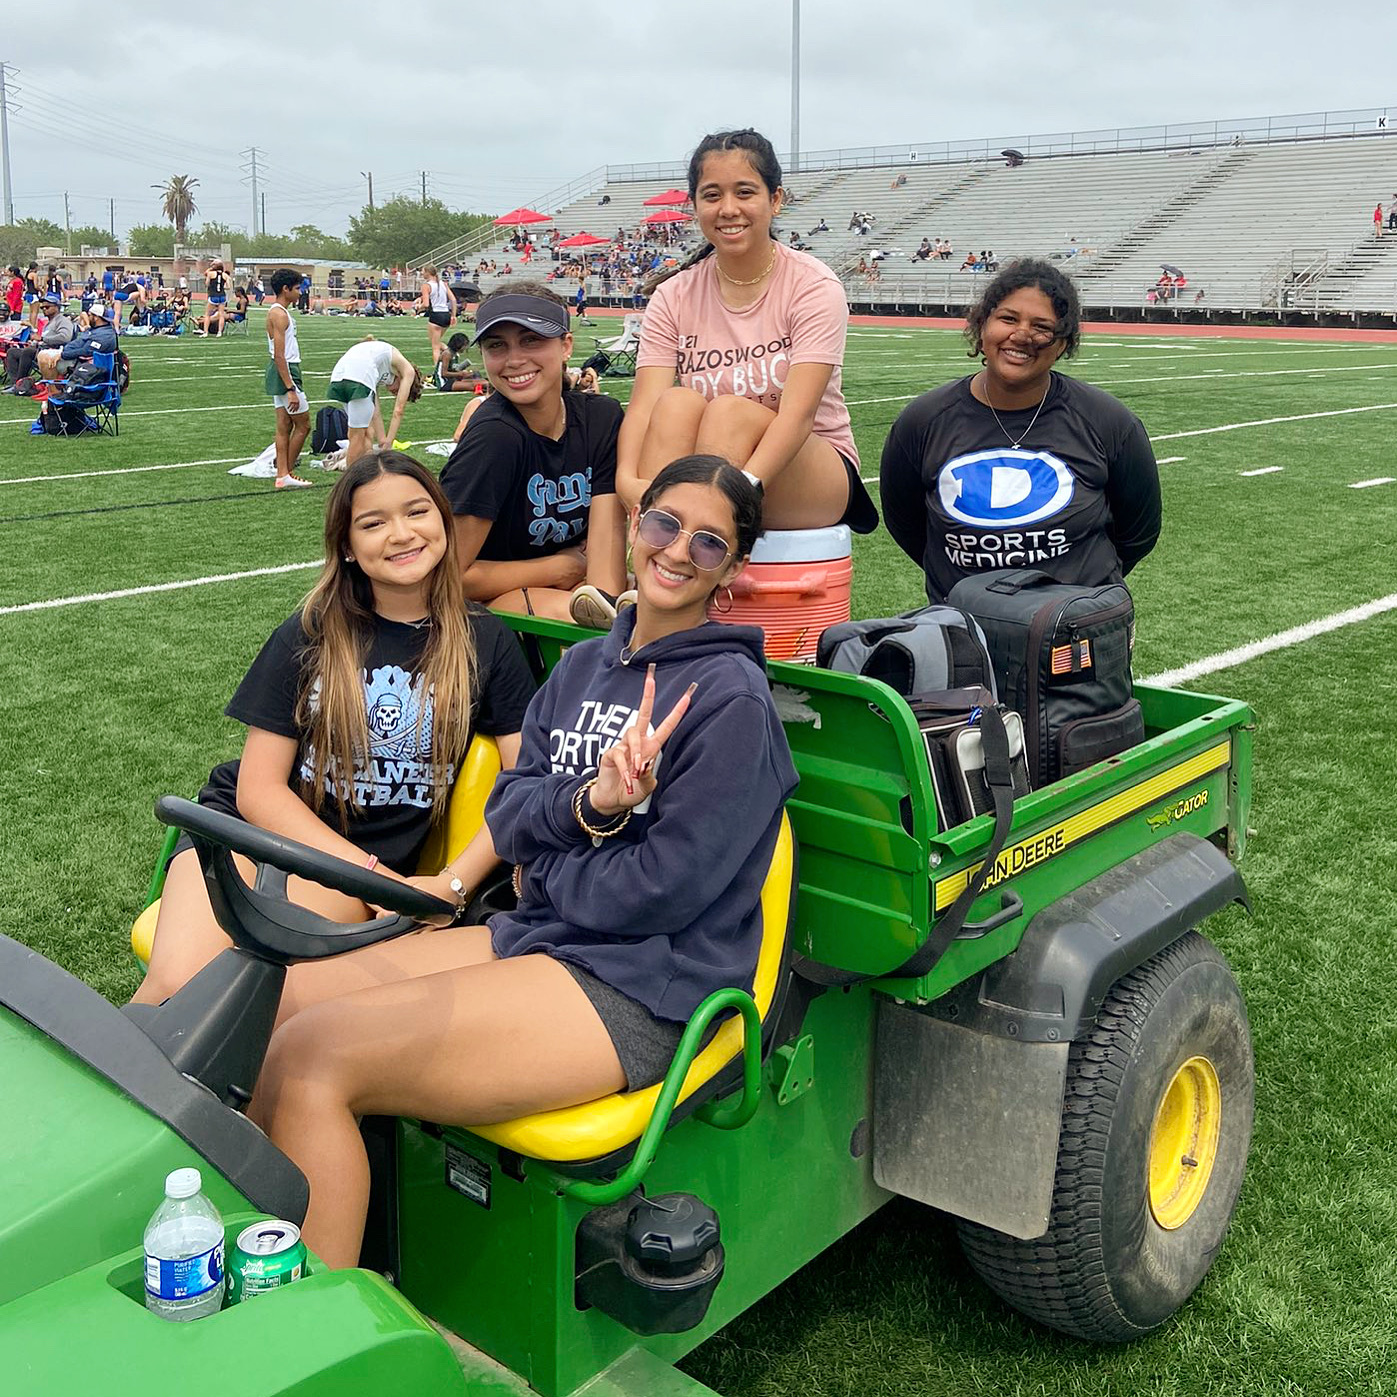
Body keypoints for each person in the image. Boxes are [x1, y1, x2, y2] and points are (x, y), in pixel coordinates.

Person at [246, 454, 798, 1270]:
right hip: (538, 935)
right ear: (637, 527)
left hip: (641, 986)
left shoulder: (729, 698)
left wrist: (549, 866)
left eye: (710, 542)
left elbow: (662, 892)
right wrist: (590, 809)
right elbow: (511, 810)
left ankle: (312, 1332)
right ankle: (274, 1253)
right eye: (664, 523)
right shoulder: (582, 666)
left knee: (320, 1057)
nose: (678, 550)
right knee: (275, 1004)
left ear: (735, 568)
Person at [130, 450, 537, 1008]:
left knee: (249, 1000)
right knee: (173, 987)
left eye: (417, 512)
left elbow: (524, 783)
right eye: (373, 523)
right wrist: (371, 873)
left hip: (354, 874)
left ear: (443, 519)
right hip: (255, 837)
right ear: (347, 545)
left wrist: (451, 885)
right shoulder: (312, 630)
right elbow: (258, 790)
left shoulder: (485, 641)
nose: (400, 534)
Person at [617, 128, 878, 536]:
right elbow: (645, 408)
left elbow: (798, 417)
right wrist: (626, 481)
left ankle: (679, 558)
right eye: (712, 195)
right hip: (711, 469)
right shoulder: (673, 295)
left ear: (775, 200)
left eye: (744, 192)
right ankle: (646, 583)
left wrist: (726, 497)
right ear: (695, 205)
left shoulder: (812, 286)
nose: (728, 208)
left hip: (809, 468)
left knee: (729, 412)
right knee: (676, 405)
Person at [880, 258, 1161, 604]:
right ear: (982, 327)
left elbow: (1138, 534)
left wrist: (1073, 593)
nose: (1022, 335)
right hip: (962, 634)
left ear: (1062, 344)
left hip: (1073, 637)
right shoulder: (922, 421)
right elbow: (906, 524)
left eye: (1042, 327)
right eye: (1008, 319)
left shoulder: (1109, 422)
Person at [438, 282, 628, 626]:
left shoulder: (602, 419)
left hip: (572, 591)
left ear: (566, 345)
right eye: (497, 346)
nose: (514, 360)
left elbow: (606, 555)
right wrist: (558, 568)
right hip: (483, 610)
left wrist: (601, 597)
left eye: (532, 340)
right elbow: (445, 577)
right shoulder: (495, 437)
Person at [326, 338, 423, 466]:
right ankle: (350, 479)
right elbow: (398, 410)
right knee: (359, 436)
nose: (393, 393)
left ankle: (363, 470)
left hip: (339, 374)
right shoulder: (407, 370)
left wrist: (383, 440)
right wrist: (389, 443)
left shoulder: (379, 367)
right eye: (396, 391)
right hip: (359, 375)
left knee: (366, 432)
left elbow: (375, 412)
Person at [264, 269, 313, 490]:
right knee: (303, 425)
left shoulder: (278, 312)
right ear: (286, 289)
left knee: (284, 425)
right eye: (297, 288)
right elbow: (279, 354)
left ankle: (282, 473)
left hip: (282, 370)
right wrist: (290, 388)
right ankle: (286, 471)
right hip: (286, 371)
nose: (300, 292)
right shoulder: (280, 314)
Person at [35, 298, 117, 381]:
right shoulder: (96, 330)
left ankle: (53, 390)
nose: (87, 318)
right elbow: (79, 344)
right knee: (44, 355)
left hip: (87, 366)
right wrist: (64, 351)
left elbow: (86, 351)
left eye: (89, 315)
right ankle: (49, 387)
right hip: (78, 359)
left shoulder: (105, 335)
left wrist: (63, 355)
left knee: (46, 359)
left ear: (96, 317)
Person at [3, 291, 72, 388]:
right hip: (41, 350)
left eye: (47, 307)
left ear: (56, 307)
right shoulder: (49, 323)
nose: (44, 309)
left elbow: (65, 337)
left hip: (53, 353)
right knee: (12, 352)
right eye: (42, 308)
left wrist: (42, 338)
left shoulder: (63, 321)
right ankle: (16, 383)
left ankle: (21, 384)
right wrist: (35, 342)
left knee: (28, 352)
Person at [418, 263, 456, 365]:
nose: (422, 273)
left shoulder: (426, 285)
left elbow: (426, 304)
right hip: (446, 315)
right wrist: (453, 315)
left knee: (435, 346)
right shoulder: (443, 283)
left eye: (423, 271)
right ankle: (451, 352)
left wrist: (418, 307)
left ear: (428, 272)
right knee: (437, 342)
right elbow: (453, 300)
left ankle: (437, 370)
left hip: (436, 315)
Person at [198, 262, 229, 336]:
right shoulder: (225, 275)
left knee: (207, 315)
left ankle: (205, 332)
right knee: (221, 315)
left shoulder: (210, 274)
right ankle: (219, 332)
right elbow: (228, 286)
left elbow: (207, 284)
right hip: (222, 296)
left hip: (213, 295)